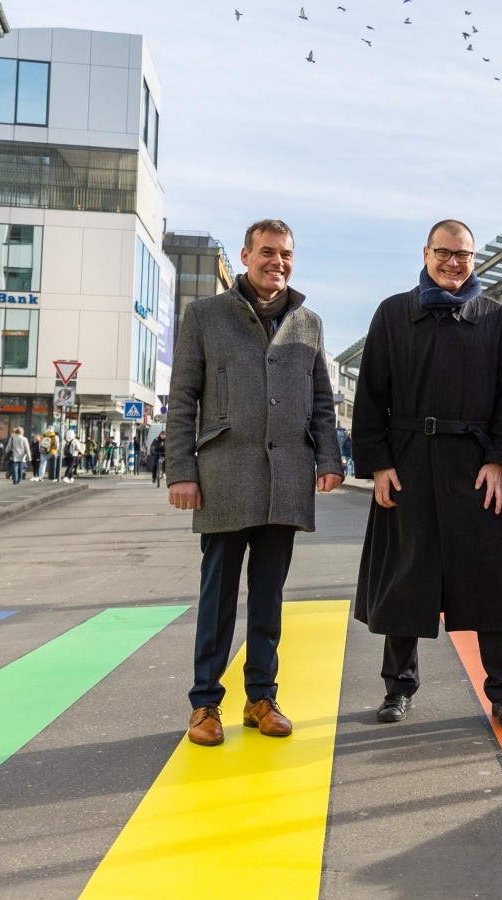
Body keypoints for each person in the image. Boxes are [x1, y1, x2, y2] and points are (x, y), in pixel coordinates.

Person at [167, 217, 343, 747]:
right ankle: (204, 705)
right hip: (223, 475)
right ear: (246, 256)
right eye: (268, 252)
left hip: (285, 476)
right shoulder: (204, 316)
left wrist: (329, 459)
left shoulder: (307, 322)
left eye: (286, 254)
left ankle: (261, 697)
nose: (278, 262)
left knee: (269, 597)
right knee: (218, 596)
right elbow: (182, 401)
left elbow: (321, 403)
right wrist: (182, 471)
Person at [351, 219, 502, 730]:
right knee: (408, 577)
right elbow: (370, 397)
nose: (454, 263)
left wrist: (499, 460)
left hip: (474, 467)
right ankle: (397, 688)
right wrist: (379, 464)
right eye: (445, 253)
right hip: (407, 463)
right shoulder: (393, 313)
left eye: (464, 255)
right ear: (426, 253)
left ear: (475, 260)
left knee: (488, 583)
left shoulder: (495, 319)